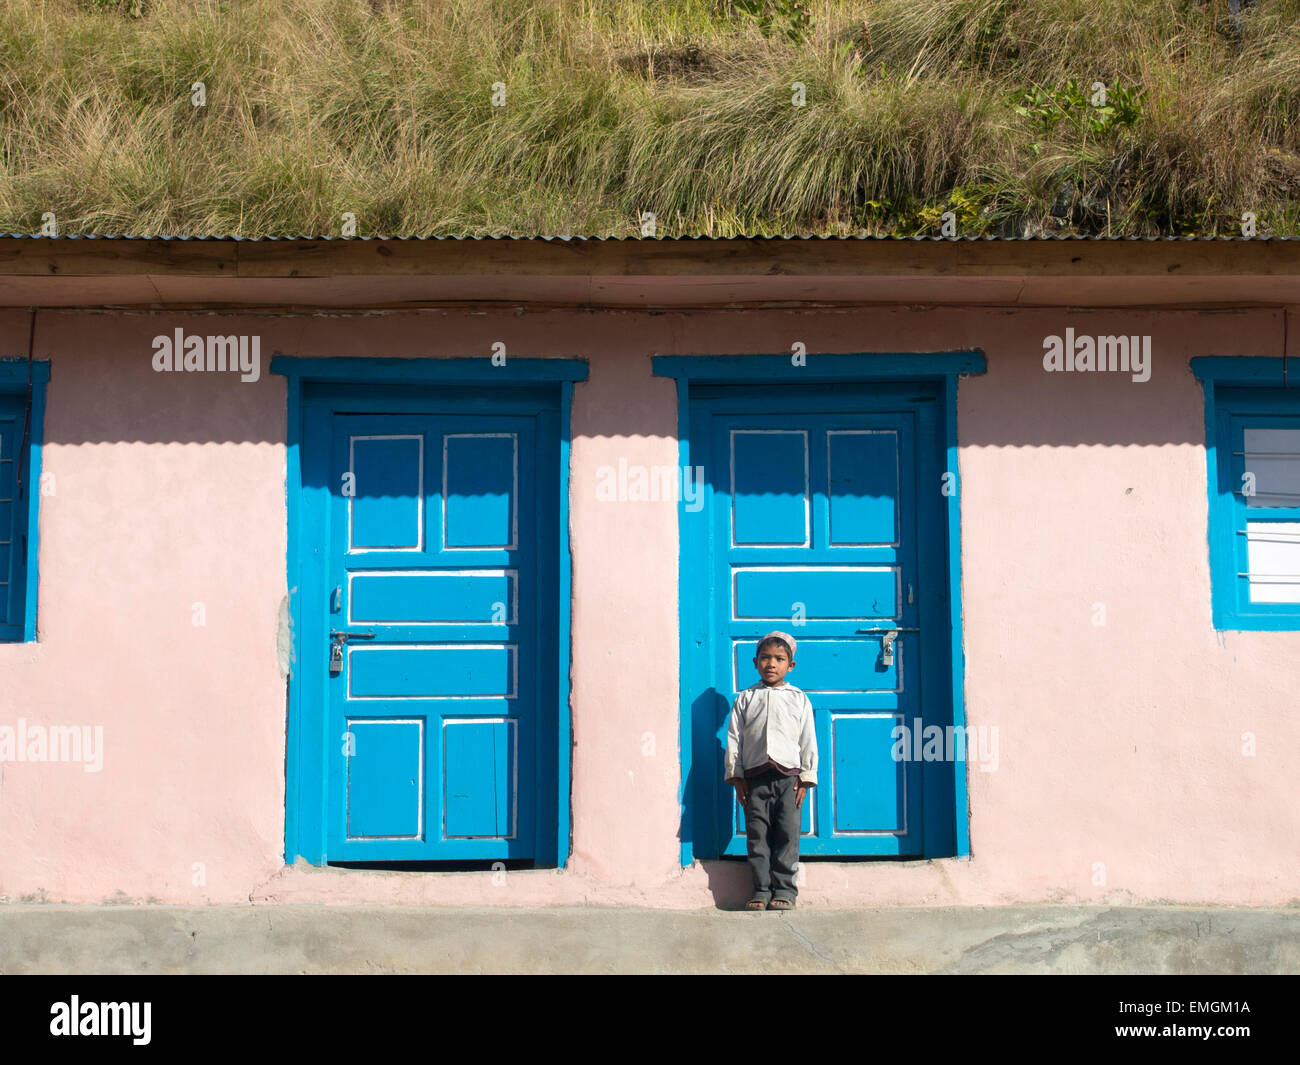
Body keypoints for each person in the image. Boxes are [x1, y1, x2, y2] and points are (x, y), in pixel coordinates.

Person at [723, 630, 818, 911]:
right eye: (765, 658)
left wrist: (806, 778)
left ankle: (785, 890)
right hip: (755, 780)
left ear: (791, 665)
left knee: (787, 835)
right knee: (757, 836)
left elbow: (808, 739)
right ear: (755, 662)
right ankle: (761, 890)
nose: (771, 664)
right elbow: (734, 738)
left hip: (789, 780)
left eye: (779, 659)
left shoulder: (798, 698)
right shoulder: (745, 698)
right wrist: (737, 777)